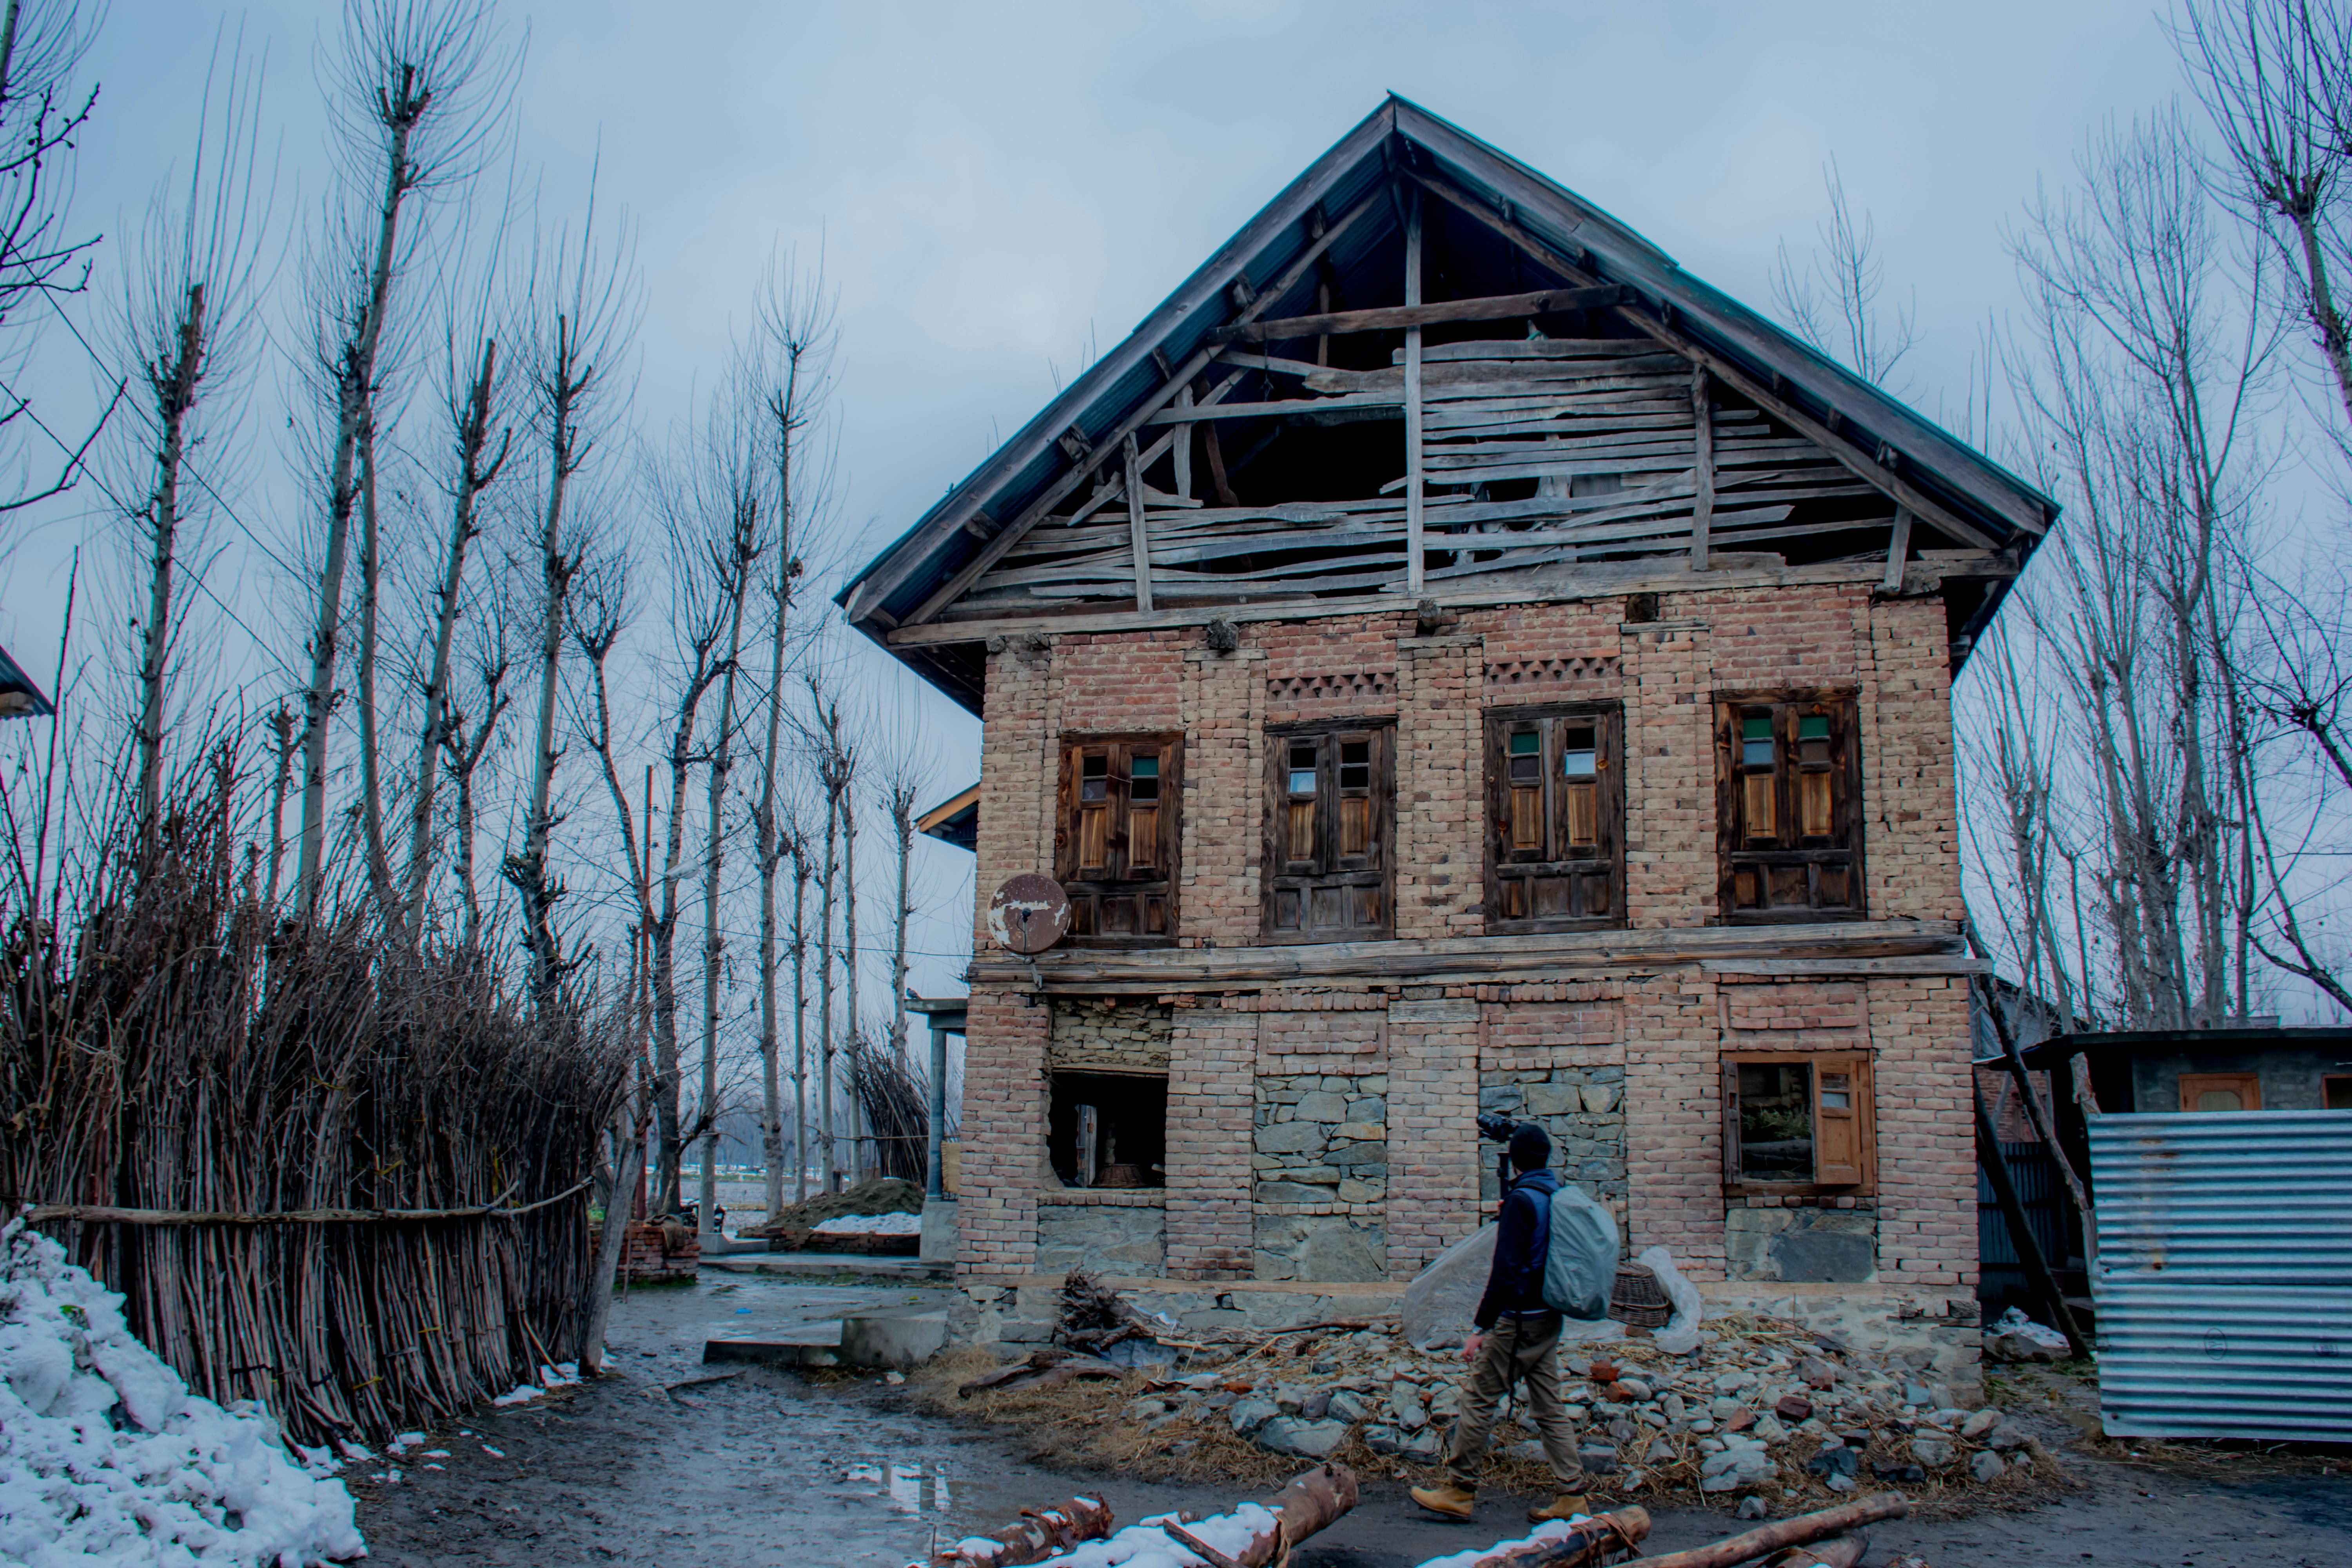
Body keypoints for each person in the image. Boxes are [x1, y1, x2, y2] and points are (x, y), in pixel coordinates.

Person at [1410, 1121, 1587, 1524]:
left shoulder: (1522, 1201)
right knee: (1548, 1405)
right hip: (1548, 1316)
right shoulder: (1552, 1194)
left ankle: (1458, 1489)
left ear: (1516, 1161)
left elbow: (1505, 1270)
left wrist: (1480, 1328)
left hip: (1521, 1319)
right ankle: (1572, 1495)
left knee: (1479, 1396)